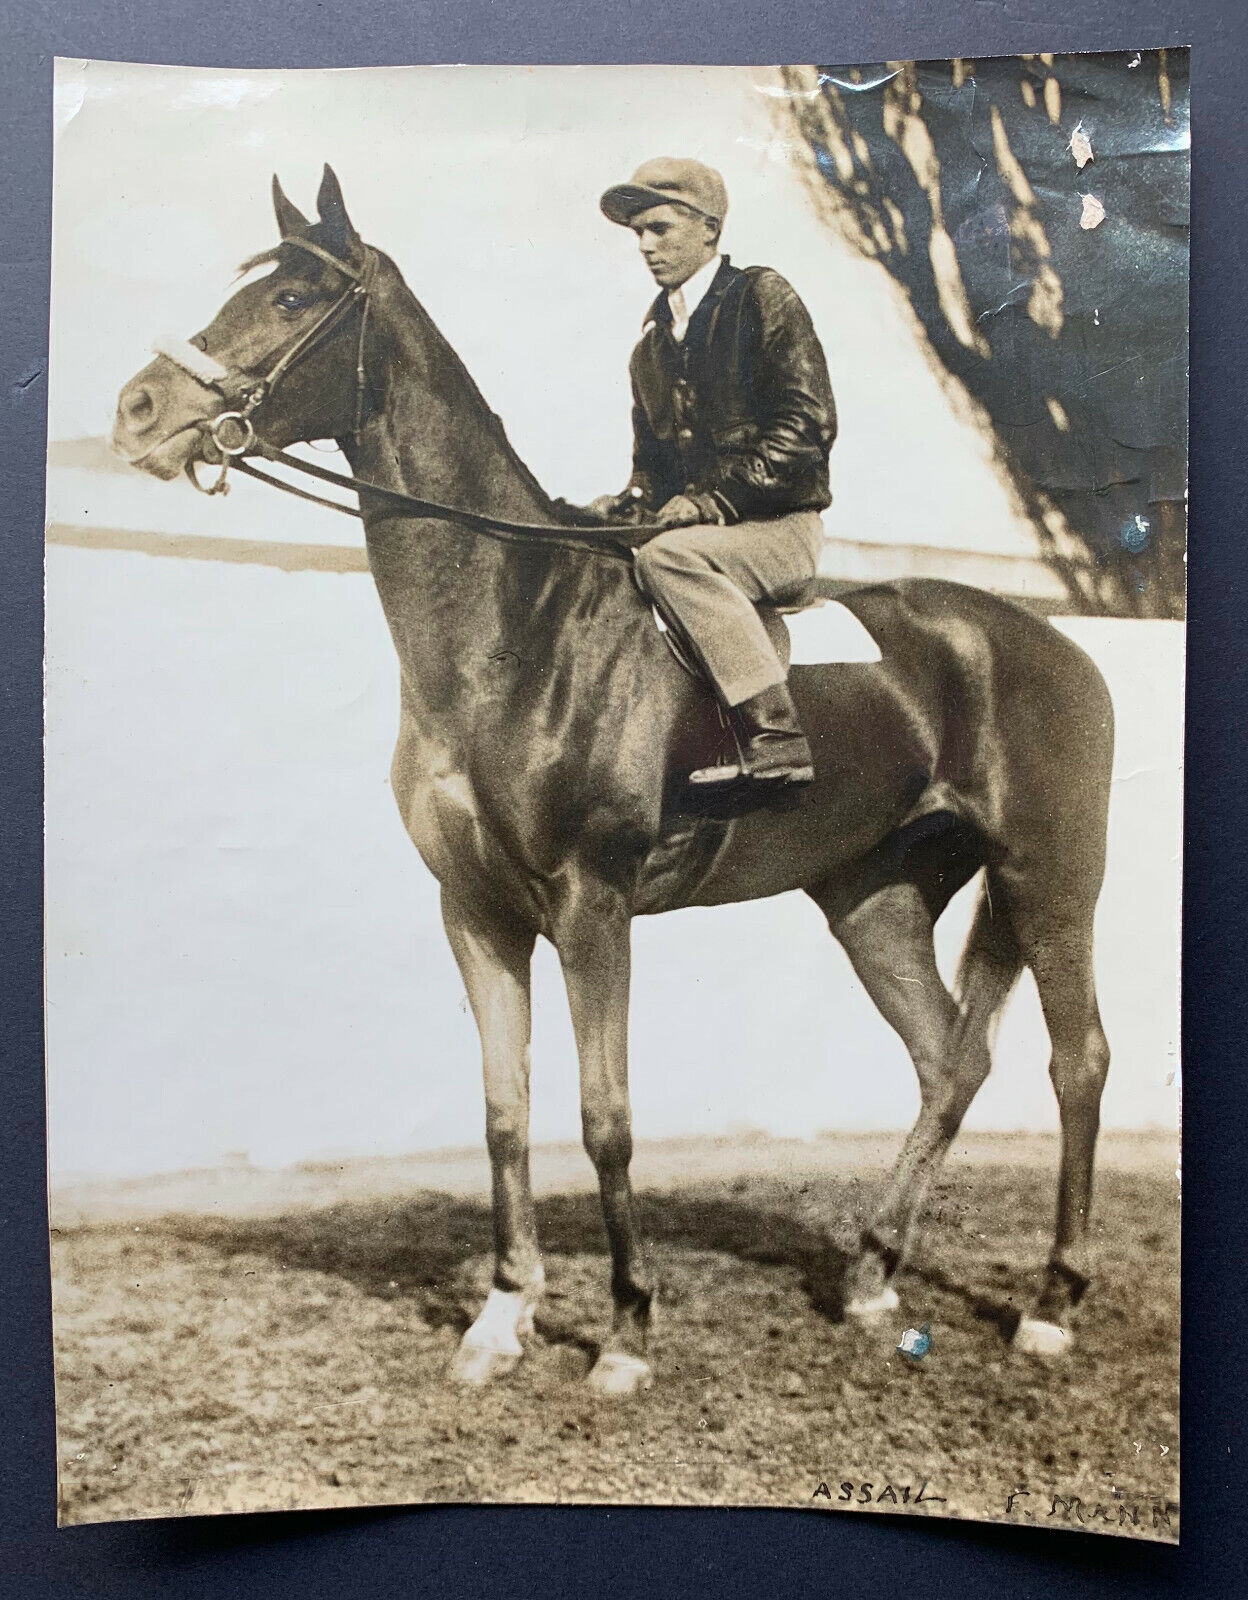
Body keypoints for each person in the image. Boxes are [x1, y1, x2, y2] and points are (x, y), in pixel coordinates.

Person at [591, 157, 837, 807]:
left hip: (779, 531)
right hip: (709, 542)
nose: (645, 245)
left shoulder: (761, 296)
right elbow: (652, 472)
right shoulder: (648, 348)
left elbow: (808, 423)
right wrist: (621, 507)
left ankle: (778, 738)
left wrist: (716, 498)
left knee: (669, 557)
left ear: (708, 228)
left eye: (660, 228)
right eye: (637, 232)